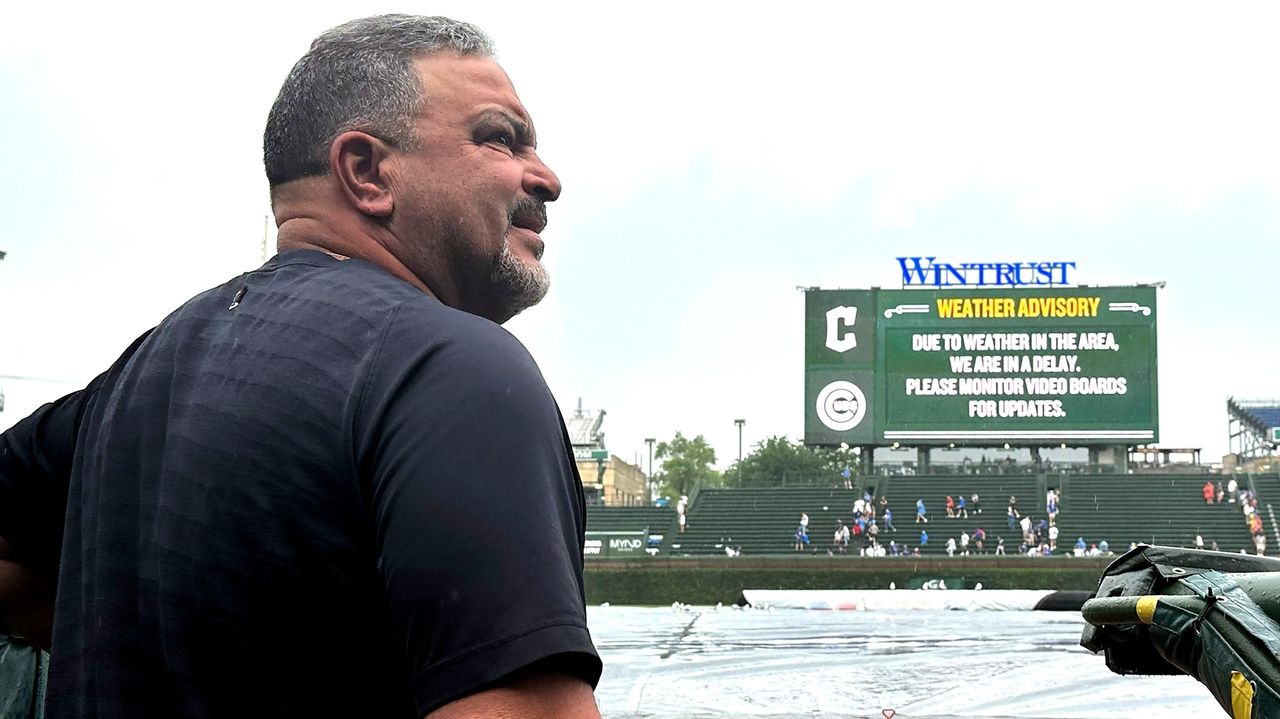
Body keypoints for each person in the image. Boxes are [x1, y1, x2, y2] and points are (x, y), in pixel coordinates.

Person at [0, 15, 603, 718]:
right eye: (500, 137)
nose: (547, 178)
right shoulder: (448, 372)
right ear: (367, 171)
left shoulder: (133, 380)